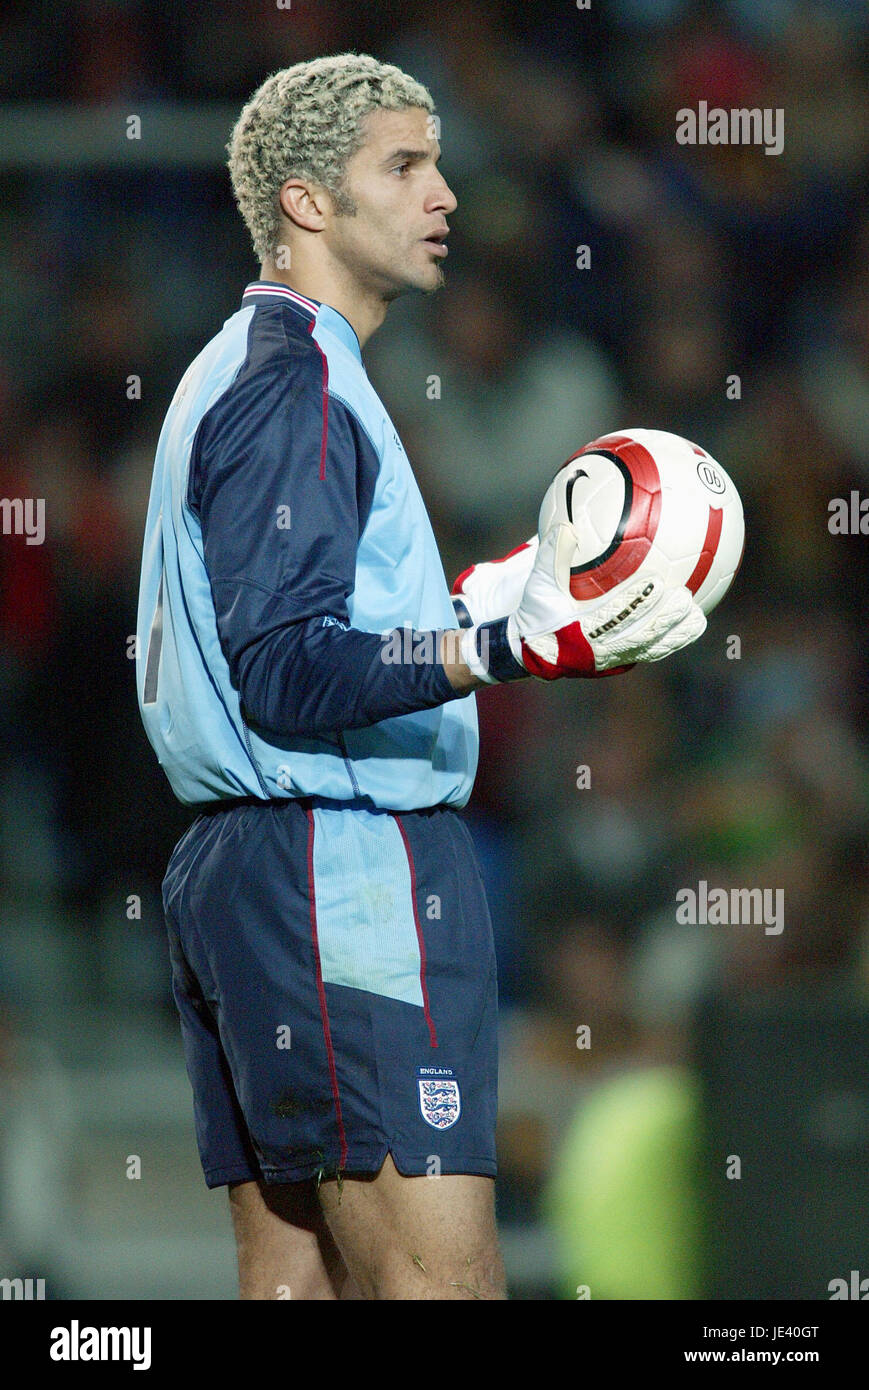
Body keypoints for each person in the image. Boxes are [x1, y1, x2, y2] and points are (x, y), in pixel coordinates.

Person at [135, 52, 705, 1301]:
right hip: (339, 868)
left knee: (295, 1283)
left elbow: (285, 642)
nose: (442, 192)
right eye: (404, 164)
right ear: (306, 202)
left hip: (253, 864)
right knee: (435, 1288)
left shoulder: (245, 370)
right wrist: (491, 644)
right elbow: (283, 669)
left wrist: (470, 603)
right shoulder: (298, 384)